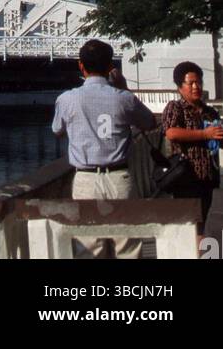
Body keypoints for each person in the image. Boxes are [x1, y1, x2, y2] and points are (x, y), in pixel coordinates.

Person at [52, 38, 157, 258]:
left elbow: (57, 130)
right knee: (128, 247)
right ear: (111, 67)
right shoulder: (124, 98)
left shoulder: (67, 99)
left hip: (85, 180)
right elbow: (149, 123)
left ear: (81, 65)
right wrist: (124, 88)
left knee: (88, 249)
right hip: (120, 178)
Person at [161, 62, 223, 227]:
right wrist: (204, 134)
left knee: (202, 221)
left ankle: (199, 251)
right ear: (180, 87)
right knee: (187, 224)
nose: (196, 87)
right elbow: (171, 132)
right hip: (185, 178)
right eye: (191, 83)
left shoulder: (210, 112)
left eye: (199, 82)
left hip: (207, 177)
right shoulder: (176, 108)